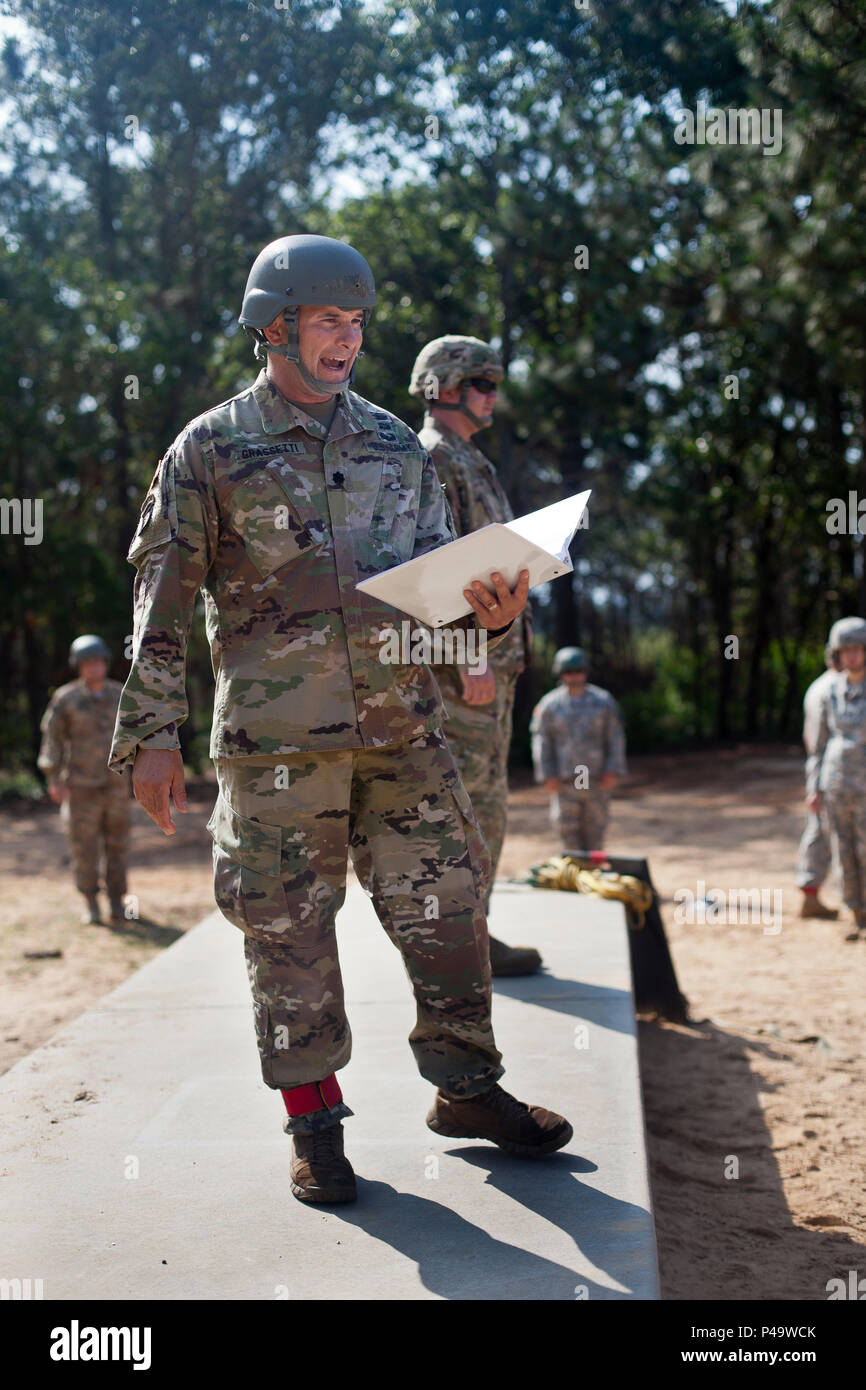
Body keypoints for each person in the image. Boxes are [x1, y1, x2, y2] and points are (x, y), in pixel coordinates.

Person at [108, 234, 572, 1205]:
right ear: (273, 325)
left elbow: (437, 581)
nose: (347, 341)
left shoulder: (395, 446)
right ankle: (314, 1125)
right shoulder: (209, 448)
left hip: (403, 731)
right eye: (328, 321)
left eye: (357, 323)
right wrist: (152, 733)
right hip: (278, 752)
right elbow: (162, 596)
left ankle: (466, 1090)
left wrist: (487, 609)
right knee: (289, 937)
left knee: (447, 909)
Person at [410, 334, 540, 978]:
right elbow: (439, 568)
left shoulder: (469, 460)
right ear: (449, 388)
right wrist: (470, 656)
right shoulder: (435, 457)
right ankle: (461, 948)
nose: (494, 397)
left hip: (493, 662)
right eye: (483, 384)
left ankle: (476, 935)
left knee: (487, 803)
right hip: (465, 669)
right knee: (469, 807)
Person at [38, 635, 130, 924]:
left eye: (98, 662)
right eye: (88, 663)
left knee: (118, 844)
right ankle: (91, 902)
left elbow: (136, 737)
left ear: (105, 663)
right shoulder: (66, 699)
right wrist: (53, 777)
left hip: (116, 785)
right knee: (84, 846)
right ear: (78, 666)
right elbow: (52, 739)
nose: (94, 668)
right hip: (81, 787)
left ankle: (117, 902)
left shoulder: (120, 695)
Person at [530, 646, 626, 852]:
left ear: (586, 671)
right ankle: (573, 875)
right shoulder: (550, 705)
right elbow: (541, 741)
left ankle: (594, 876)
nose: (574, 677)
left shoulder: (603, 702)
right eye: (568, 672)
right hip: (565, 781)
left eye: (578, 671)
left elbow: (615, 737)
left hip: (596, 779)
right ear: (560, 673)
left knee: (596, 831)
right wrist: (547, 774)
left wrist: (614, 769)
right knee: (567, 832)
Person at [806, 616, 866, 942]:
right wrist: (813, 787)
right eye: (846, 650)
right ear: (837, 654)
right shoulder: (829, 692)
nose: (853, 656)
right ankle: (855, 913)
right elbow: (818, 745)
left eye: (858, 649)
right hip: (836, 786)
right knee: (843, 853)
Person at [796, 644, 839, 919]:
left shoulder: (816, 686)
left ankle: (810, 893)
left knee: (818, 832)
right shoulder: (835, 689)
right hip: (835, 773)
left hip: (821, 770)